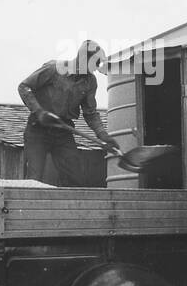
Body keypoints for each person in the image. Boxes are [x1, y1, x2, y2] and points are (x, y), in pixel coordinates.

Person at [18, 40, 121, 186]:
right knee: (34, 179)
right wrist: (39, 112)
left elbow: (90, 113)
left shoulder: (90, 82)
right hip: (38, 130)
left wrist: (103, 135)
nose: (96, 68)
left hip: (63, 131)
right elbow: (24, 87)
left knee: (76, 179)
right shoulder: (54, 69)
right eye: (95, 63)